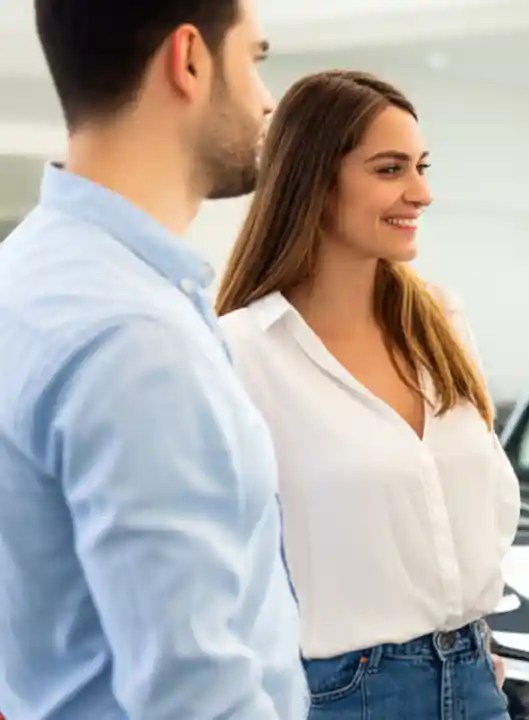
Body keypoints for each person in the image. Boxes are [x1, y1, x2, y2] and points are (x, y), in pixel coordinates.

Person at [0, 1, 308, 719]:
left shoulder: (24, 276)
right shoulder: (134, 338)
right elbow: (194, 696)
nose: (267, 100)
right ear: (190, 58)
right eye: (254, 60)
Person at [215, 70, 518, 719]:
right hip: (341, 694)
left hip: (475, 676)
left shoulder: (440, 322)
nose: (421, 193)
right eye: (390, 170)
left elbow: (484, 506)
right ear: (315, 181)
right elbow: (224, 570)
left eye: (421, 167)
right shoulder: (240, 353)